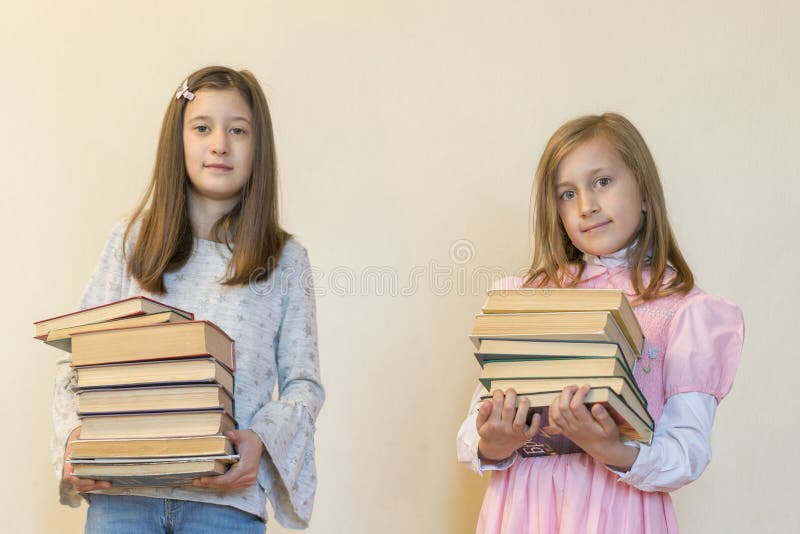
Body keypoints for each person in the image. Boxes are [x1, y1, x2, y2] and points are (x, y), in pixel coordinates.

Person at [52, 66, 324, 533]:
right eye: (202, 128)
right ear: (177, 140)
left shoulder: (286, 260)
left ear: (260, 147)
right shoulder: (129, 243)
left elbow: (303, 384)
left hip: (226, 505)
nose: (220, 143)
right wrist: (74, 439)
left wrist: (259, 440)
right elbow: (77, 356)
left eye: (238, 130)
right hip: (124, 498)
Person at [456, 112, 744, 533]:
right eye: (567, 194)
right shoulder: (525, 298)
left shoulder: (684, 312)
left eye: (602, 182)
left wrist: (613, 449)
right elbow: (473, 426)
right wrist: (493, 443)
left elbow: (686, 454)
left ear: (644, 192)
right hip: (524, 512)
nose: (586, 206)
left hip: (619, 514)